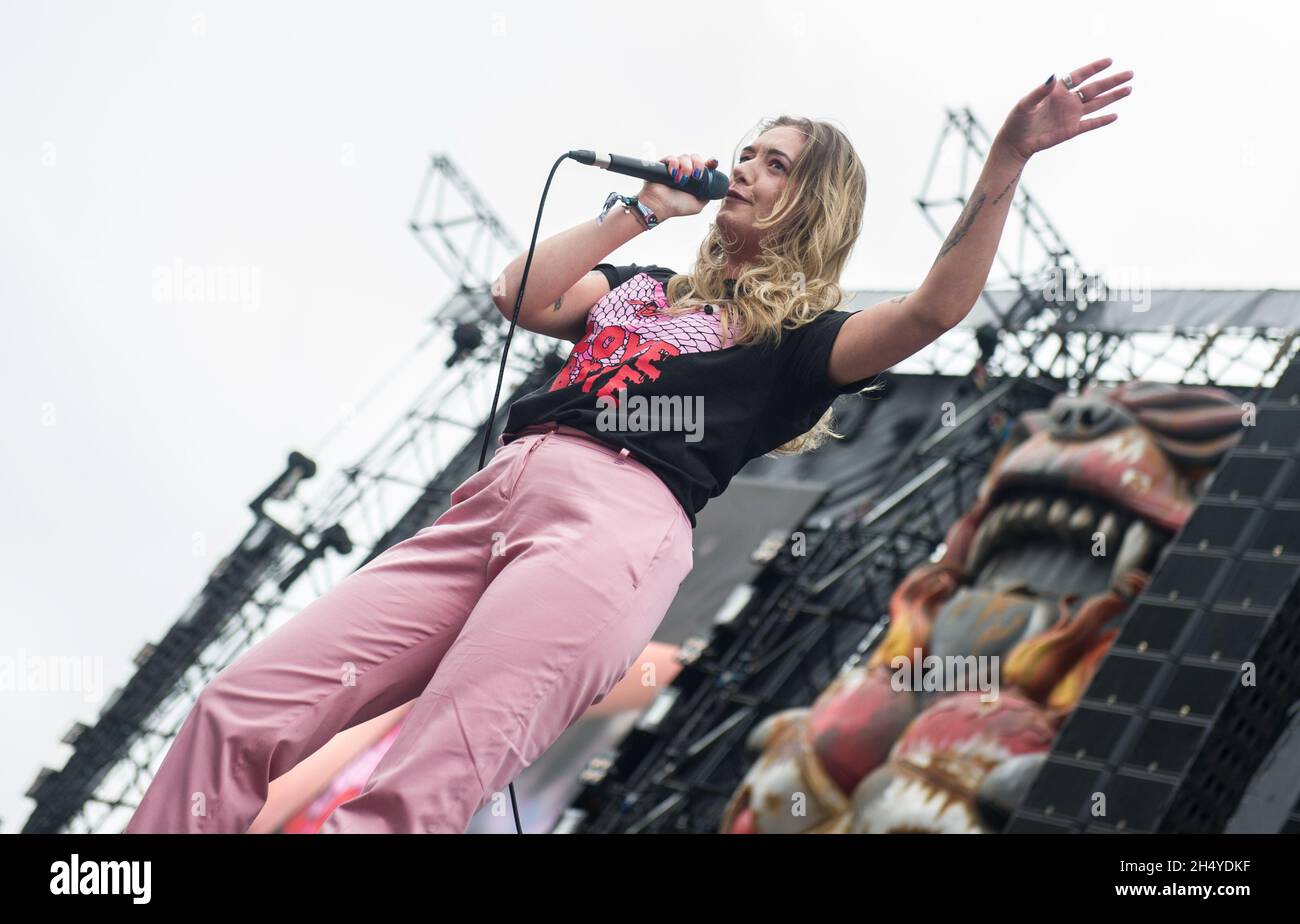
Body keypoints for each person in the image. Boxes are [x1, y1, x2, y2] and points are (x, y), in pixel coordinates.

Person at [123, 59, 1132, 834]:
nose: (746, 169)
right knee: (237, 708)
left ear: (812, 204)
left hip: (611, 530)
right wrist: (642, 208)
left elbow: (933, 311)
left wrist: (1005, 163)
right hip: (492, 502)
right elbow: (517, 294)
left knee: (416, 788)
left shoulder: (802, 341)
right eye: (747, 151)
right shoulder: (641, 283)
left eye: (776, 164)